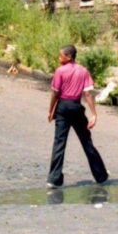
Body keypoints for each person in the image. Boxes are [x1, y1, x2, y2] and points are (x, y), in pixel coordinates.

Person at [47, 44, 108, 188]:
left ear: (69, 57)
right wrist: (94, 114)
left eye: (61, 55)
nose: (59, 58)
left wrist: (51, 111)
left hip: (63, 108)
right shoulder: (83, 71)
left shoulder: (60, 71)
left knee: (59, 142)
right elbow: (88, 94)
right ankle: (101, 175)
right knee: (86, 141)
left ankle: (54, 179)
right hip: (76, 107)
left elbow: (55, 93)